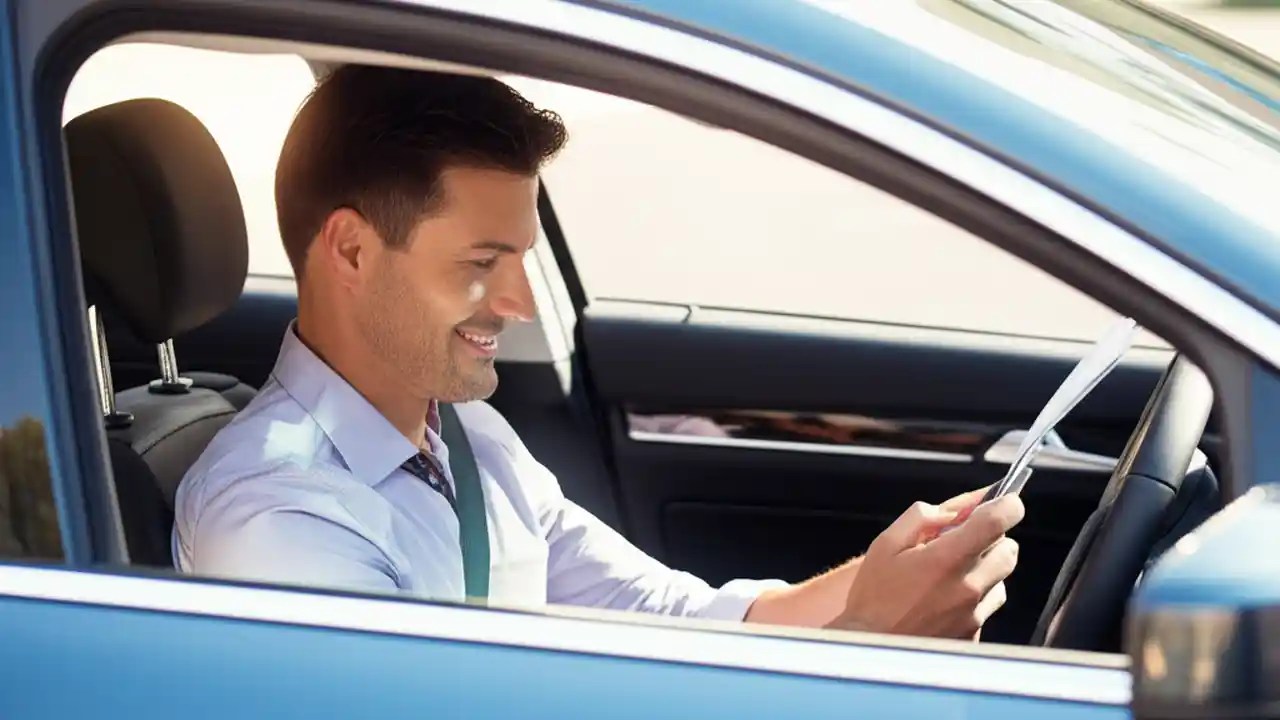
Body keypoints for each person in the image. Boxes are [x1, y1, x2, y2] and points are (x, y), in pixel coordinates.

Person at [173, 65, 1023, 638]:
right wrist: (864, 646)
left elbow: (666, 615)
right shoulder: (276, 526)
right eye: (480, 264)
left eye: (519, 257)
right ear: (353, 253)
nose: (514, 302)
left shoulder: (465, 439)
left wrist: (887, 580)